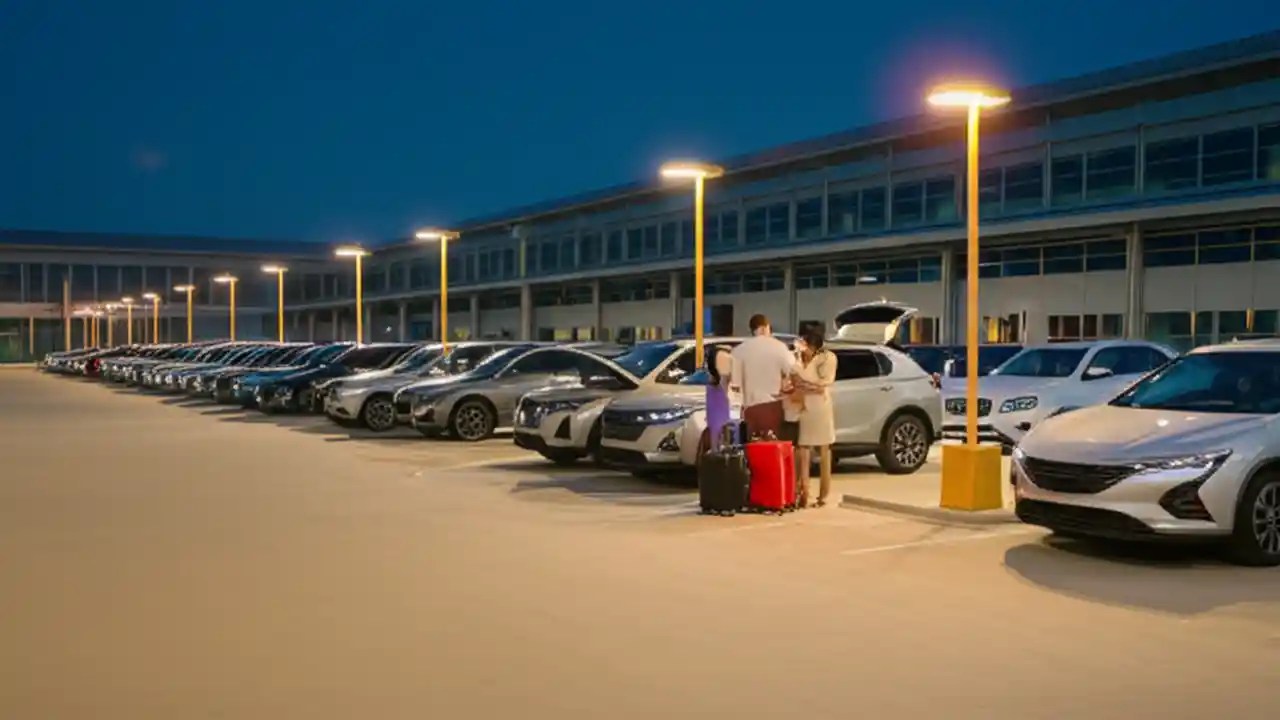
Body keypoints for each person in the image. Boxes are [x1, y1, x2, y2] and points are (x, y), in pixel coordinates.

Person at [730, 314, 795, 440]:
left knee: (750, 448)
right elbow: (793, 371)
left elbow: (735, 383)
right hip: (772, 406)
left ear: (752, 330)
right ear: (766, 328)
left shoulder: (738, 351)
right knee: (772, 446)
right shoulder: (779, 347)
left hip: (748, 407)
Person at [791, 328, 836, 507]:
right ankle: (803, 491)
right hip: (805, 407)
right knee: (803, 449)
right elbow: (796, 380)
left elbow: (822, 385)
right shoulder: (800, 359)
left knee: (824, 450)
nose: (802, 348)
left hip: (821, 408)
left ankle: (823, 494)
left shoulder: (827, 358)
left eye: (805, 345)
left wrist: (805, 385)